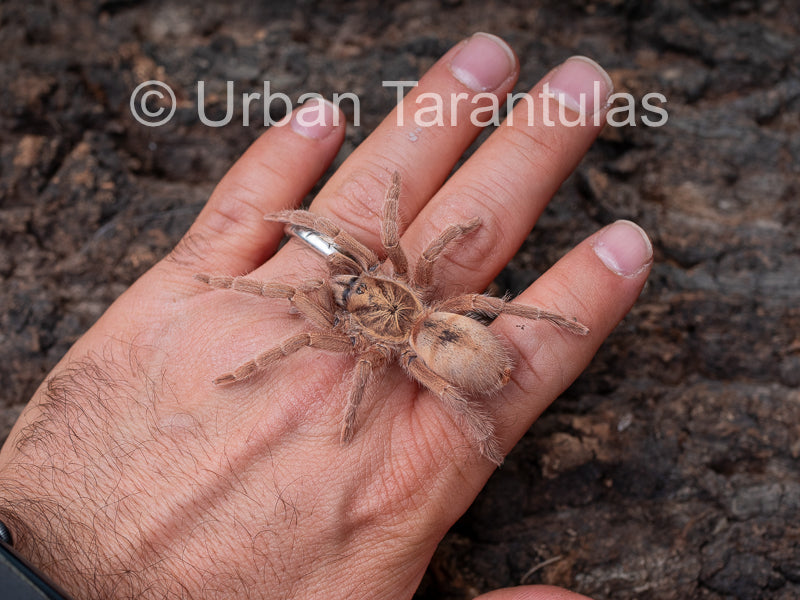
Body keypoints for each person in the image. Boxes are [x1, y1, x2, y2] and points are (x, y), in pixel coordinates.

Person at [0, 33, 652, 599]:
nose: (352, 289)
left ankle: (531, 357)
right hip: (434, 327)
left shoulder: (367, 341)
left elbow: (370, 274)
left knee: (359, 328)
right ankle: (552, 329)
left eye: (360, 285)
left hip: (427, 335)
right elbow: (401, 247)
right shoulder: (397, 291)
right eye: (356, 287)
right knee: (437, 319)